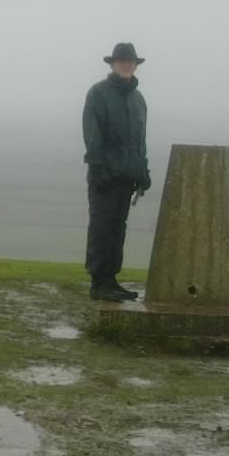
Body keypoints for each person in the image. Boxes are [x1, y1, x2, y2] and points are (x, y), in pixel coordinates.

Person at [82, 42, 151, 301]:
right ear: (112, 64)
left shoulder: (138, 99)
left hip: (127, 178)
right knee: (101, 228)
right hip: (105, 177)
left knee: (117, 229)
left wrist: (143, 172)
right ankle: (99, 283)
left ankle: (111, 280)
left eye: (131, 61)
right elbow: (93, 134)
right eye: (122, 60)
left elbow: (140, 141)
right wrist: (99, 169)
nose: (127, 64)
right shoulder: (98, 93)